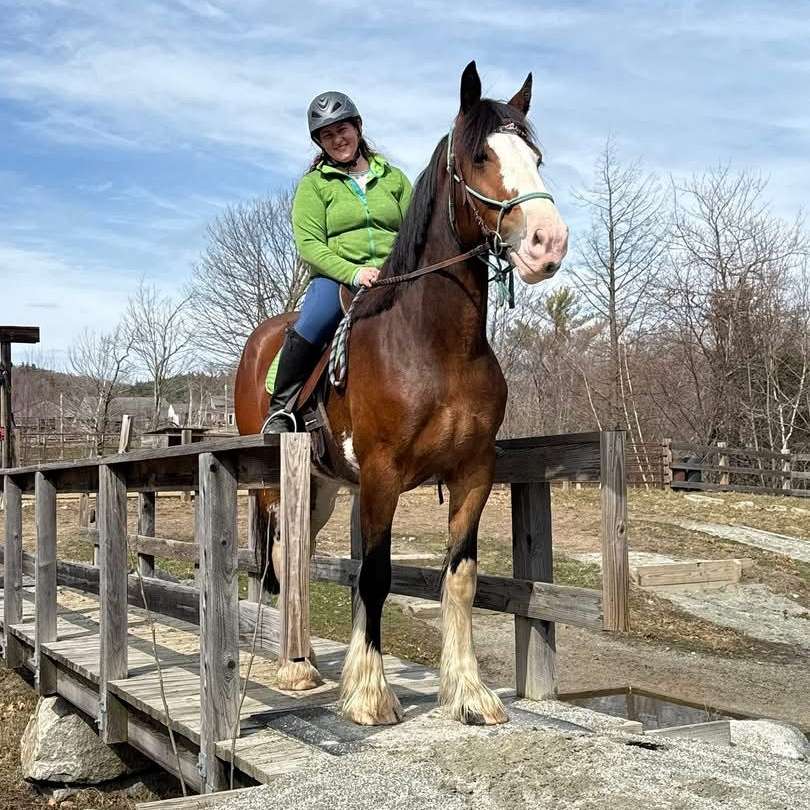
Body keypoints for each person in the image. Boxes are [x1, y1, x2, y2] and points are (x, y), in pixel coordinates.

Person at [263, 91, 412, 432]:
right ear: (320, 142)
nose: (337, 139)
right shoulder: (314, 185)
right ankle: (281, 408)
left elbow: (415, 231)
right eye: (327, 135)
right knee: (315, 319)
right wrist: (354, 272)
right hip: (338, 278)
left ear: (358, 127)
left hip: (397, 275)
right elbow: (309, 245)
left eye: (342, 129)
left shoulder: (394, 179)